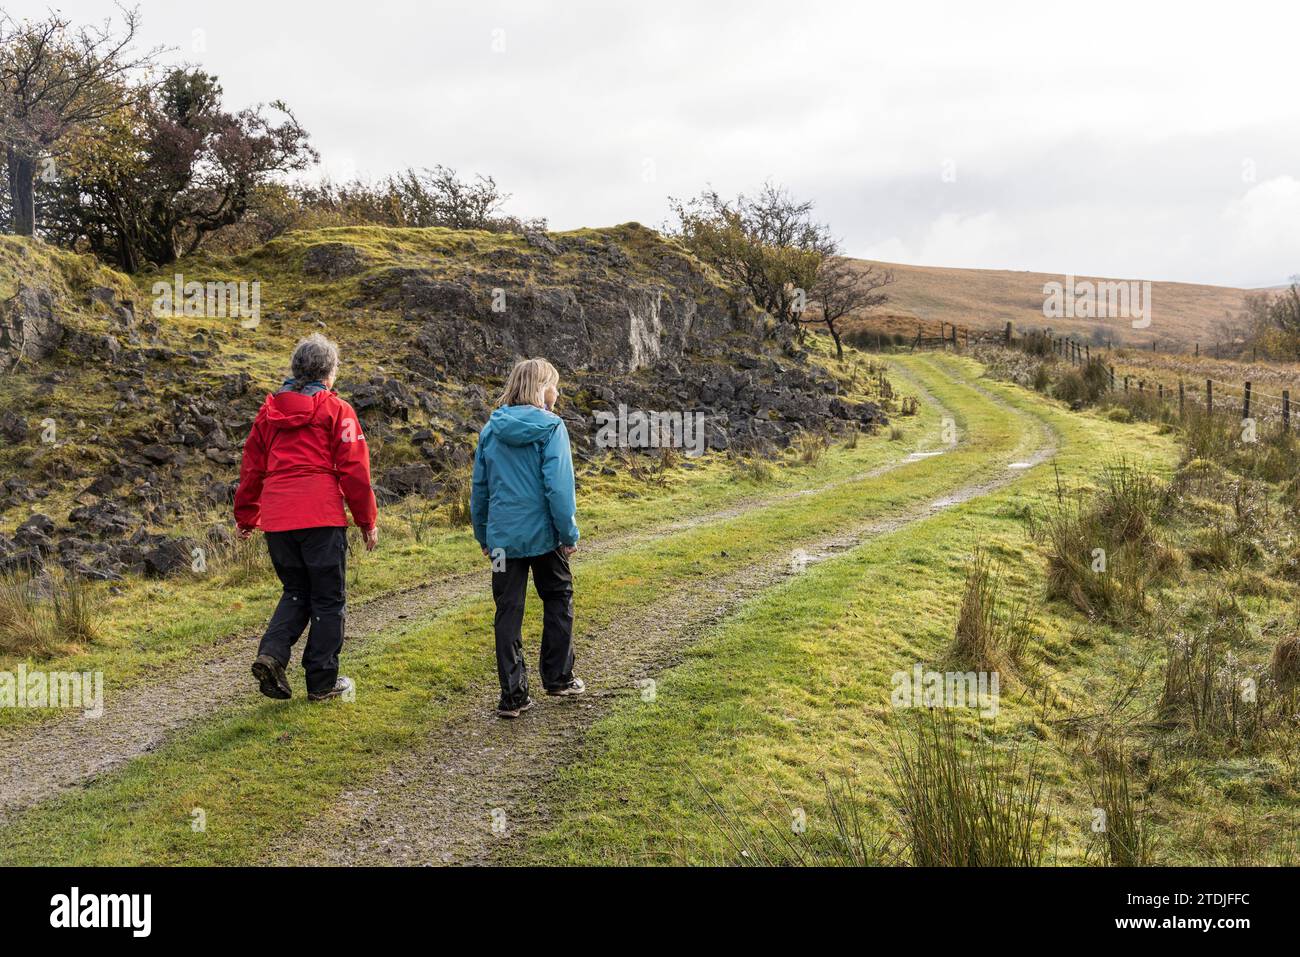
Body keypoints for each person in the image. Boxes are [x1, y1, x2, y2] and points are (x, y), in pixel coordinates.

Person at [234, 333, 378, 702]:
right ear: (328, 372)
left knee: (297, 592)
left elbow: (252, 468)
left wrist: (247, 515)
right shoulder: (337, 409)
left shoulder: (267, 413)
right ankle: (322, 683)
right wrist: (367, 521)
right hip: (320, 516)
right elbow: (355, 471)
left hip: (278, 519)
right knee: (328, 599)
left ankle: (272, 654)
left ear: (295, 370)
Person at [471, 358, 585, 718]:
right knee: (558, 598)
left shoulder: (491, 429)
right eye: (554, 385)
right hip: (546, 538)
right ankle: (558, 678)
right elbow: (559, 488)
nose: (557, 392)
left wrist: (483, 535)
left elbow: (480, 489)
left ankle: (513, 696)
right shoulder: (552, 428)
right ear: (540, 388)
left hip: (504, 540)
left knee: (508, 610)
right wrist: (568, 534)